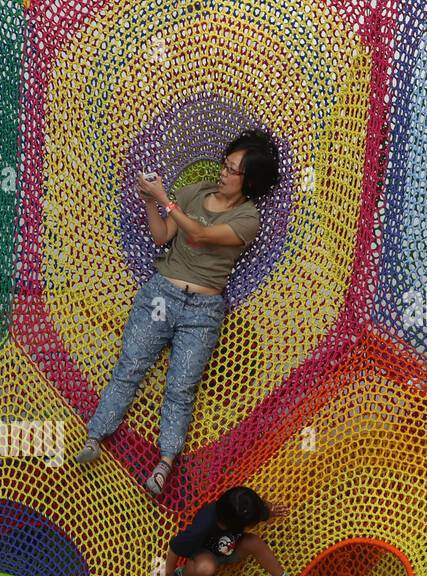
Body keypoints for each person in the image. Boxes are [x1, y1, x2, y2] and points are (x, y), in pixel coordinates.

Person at [76, 130, 279, 494]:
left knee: (181, 388)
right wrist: (152, 202)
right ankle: (94, 437)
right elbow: (162, 236)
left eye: (232, 169)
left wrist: (164, 199)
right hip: (161, 295)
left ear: (248, 181)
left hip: (202, 311)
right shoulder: (196, 192)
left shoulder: (248, 219)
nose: (223, 172)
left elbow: (200, 235)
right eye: (225, 163)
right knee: (129, 367)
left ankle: (165, 462)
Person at [157, 486, 313, 576]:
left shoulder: (237, 504)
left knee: (255, 542)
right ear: (232, 525)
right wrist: (169, 570)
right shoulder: (203, 527)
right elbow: (175, 546)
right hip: (207, 554)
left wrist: (270, 510)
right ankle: (180, 575)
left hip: (231, 549)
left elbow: (256, 503)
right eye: (253, 523)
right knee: (207, 567)